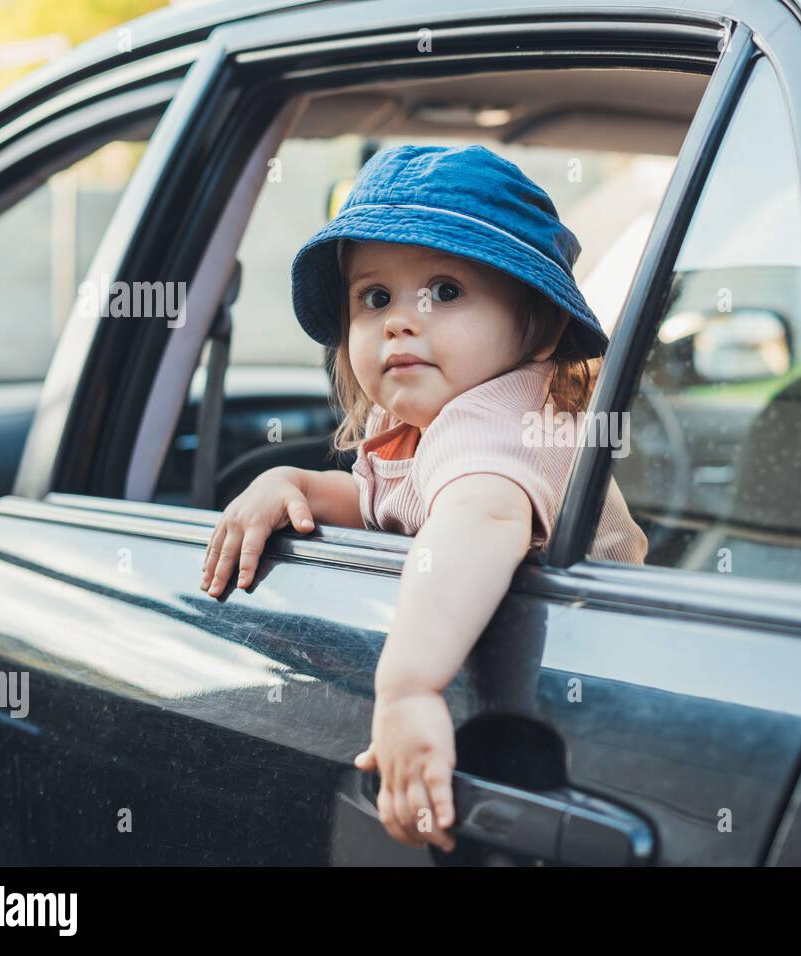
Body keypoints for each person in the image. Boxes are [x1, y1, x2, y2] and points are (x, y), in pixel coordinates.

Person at [199, 143, 647, 852]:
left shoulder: (498, 422)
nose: (400, 320)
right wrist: (292, 484)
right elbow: (388, 503)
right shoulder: (420, 423)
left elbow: (475, 517)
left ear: (540, 323)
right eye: (374, 298)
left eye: (445, 290)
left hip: (594, 709)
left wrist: (408, 690)